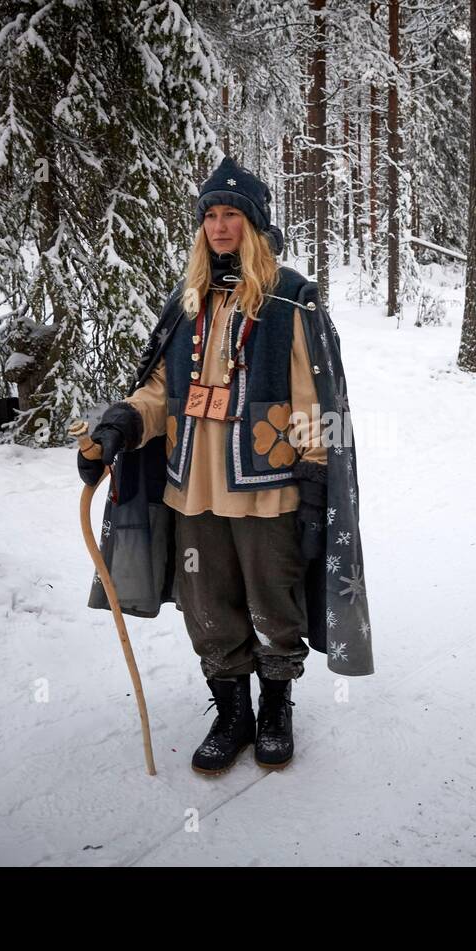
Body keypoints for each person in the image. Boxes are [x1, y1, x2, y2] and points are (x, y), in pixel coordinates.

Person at [77, 157, 374, 776]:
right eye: (210, 215)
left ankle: (274, 709)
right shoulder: (189, 302)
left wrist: (316, 491)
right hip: (195, 491)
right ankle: (232, 710)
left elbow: (315, 403)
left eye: (231, 215)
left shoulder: (291, 300)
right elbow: (160, 391)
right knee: (207, 603)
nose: (219, 226)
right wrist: (120, 425)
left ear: (255, 224)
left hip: (268, 491)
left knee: (273, 602)